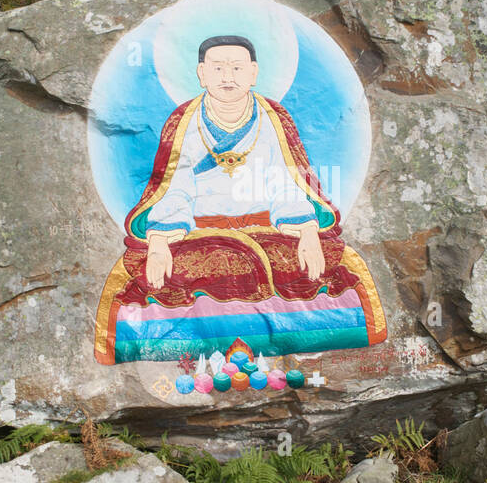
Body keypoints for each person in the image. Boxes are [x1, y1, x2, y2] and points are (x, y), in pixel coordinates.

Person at [93, 34, 385, 364]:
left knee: (323, 267)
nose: (227, 77)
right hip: (198, 235)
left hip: (271, 230)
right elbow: (173, 187)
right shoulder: (184, 122)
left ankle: (291, 346)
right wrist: (160, 241)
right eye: (218, 68)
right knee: (162, 275)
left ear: (253, 72)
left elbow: (288, 182)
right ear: (201, 73)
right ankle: (197, 349)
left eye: (236, 68)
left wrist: (305, 232)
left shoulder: (273, 118)